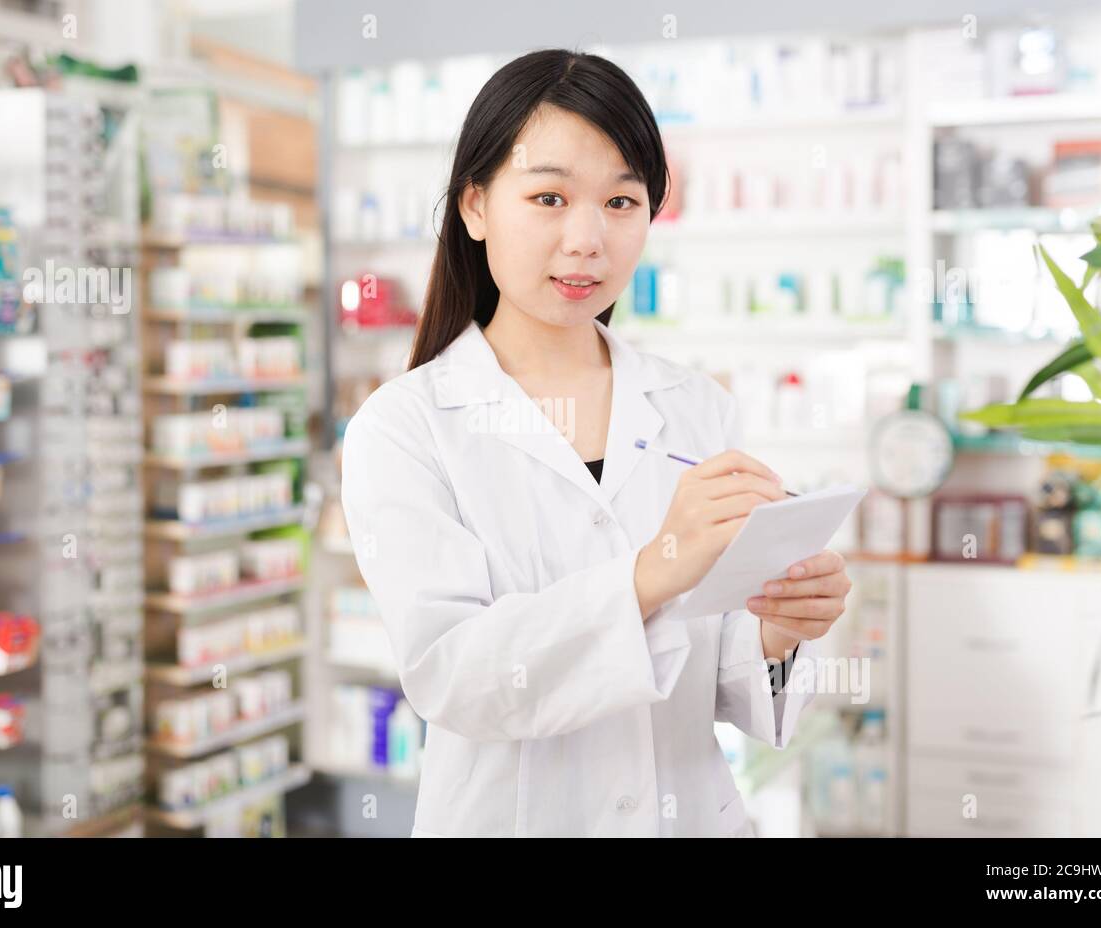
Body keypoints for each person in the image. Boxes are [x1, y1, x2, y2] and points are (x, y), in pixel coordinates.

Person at [340, 48, 851, 837]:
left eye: (621, 202)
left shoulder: (696, 407)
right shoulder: (405, 427)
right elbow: (456, 676)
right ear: (475, 206)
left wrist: (780, 626)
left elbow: (718, 673)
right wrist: (653, 571)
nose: (588, 239)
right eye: (549, 197)